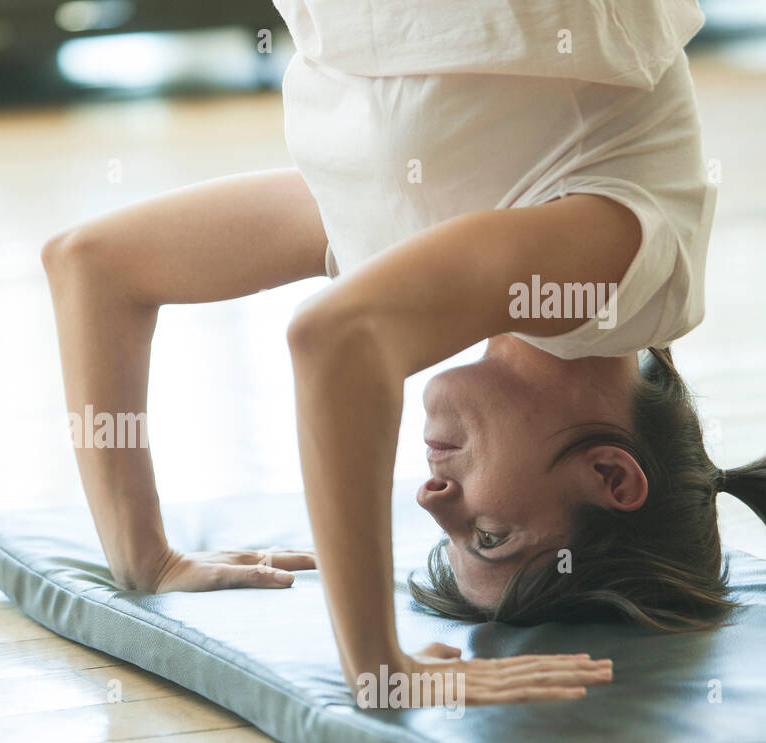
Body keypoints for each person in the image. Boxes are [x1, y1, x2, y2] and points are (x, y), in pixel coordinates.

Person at [41, 0, 765, 706]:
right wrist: (378, 665)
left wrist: (146, 558)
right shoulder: (617, 292)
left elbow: (93, 266)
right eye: (489, 533)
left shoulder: (402, 245)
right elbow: (335, 338)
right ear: (611, 474)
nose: (431, 499)